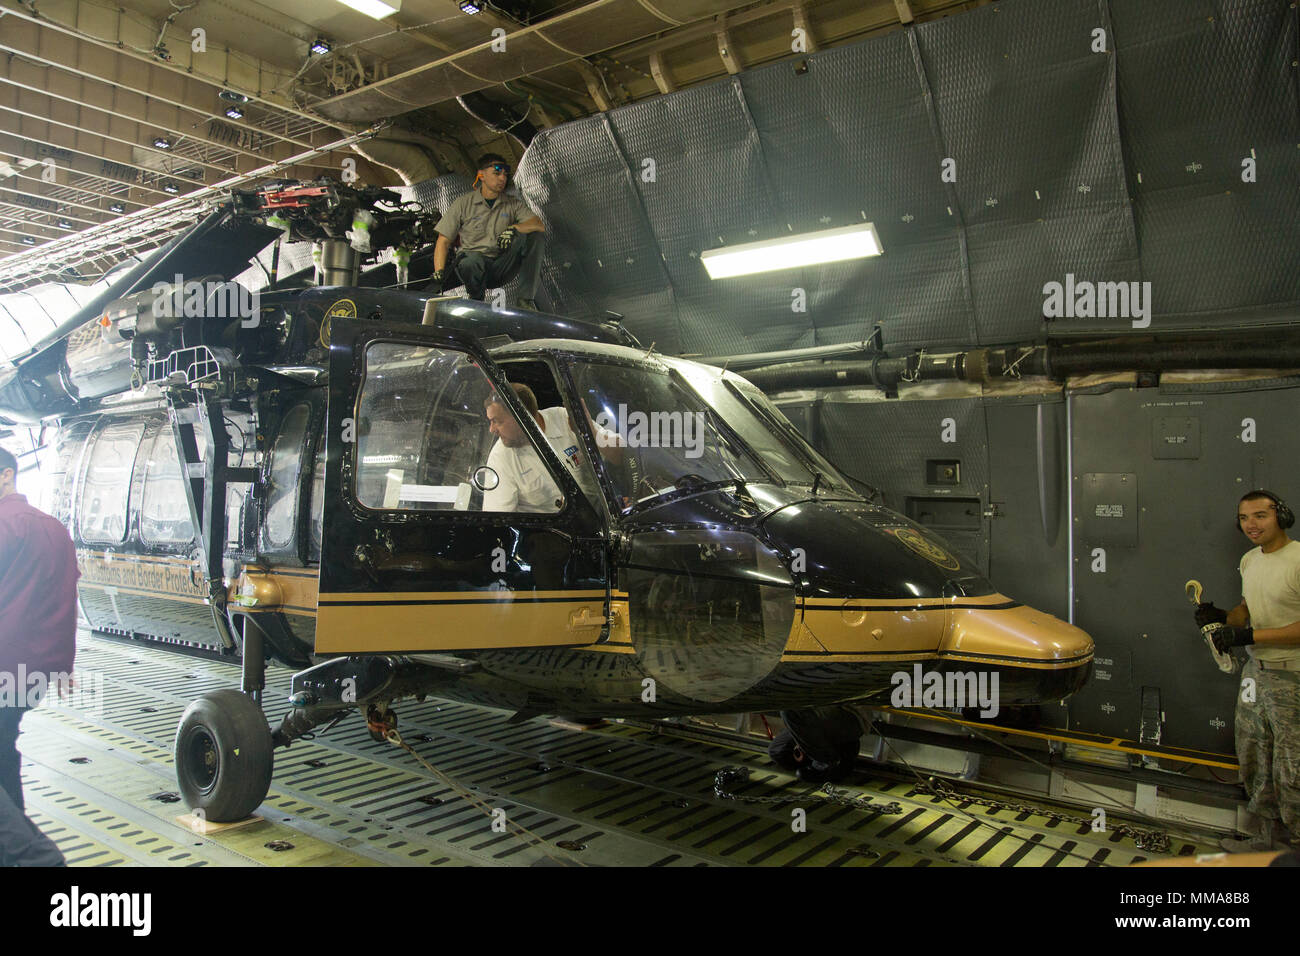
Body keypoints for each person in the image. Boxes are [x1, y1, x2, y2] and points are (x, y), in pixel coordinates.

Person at [1195, 490, 1300, 851]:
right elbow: (1247, 607)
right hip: (1257, 672)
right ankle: (1267, 840)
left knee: (1294, 764)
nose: (1251, 525)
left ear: (1280, 516)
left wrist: (1249, 634)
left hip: (1293, 673)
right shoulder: (1250, 560)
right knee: (1255, 752)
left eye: (1260, 516)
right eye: (1243, 518)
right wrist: (1222, 619)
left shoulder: (1298, 559)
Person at [0, 446, 80, 865]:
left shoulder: (5, 524)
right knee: (2, 751)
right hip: (36, 673)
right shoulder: (54, 529)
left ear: (7, 476)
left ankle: (33, 858)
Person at [429, 154, 545, 308]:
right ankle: (476, 301)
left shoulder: (512, 204)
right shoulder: (463, 204)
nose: (502, 178)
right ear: (481, 175)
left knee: (534, 236)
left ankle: (525, 300)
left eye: (505, 174)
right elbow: (443, 241)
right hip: (472, 267)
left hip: (499, 266)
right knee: (471, 259)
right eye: (497, 174)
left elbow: (538, 224)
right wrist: (439, 270)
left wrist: (515, 228)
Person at [482, 384, 604, 513]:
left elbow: (619, 454)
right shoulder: (501, 458)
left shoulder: (564, 419)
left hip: (601, 518)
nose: (491, 430)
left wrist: (590, 434)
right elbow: (500, 521)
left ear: (523, 417)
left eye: (498, 421)